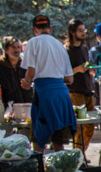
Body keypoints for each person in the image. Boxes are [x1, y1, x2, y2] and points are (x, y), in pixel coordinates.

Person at [20, 14, 76, 151]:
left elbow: (31, 71)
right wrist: (54, 77)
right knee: (58, 141)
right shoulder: (60, 46)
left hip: (44, 95)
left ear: (34, 29)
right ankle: (62, 169)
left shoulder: (33, 42)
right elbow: (70, 79)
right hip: (62, 96)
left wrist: (26, 82)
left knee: (39, 139)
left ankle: (39, 169)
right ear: (50, 28)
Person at [66, 18, 95, 151]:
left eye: (84, 30)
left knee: (91, 124)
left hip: (87, 88)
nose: (83, 33)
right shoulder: (67, 51)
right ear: (72, 32)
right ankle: (78, 154)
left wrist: (90, 70)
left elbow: (87, 66)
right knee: (80, 126)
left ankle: (81, 151)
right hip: (75, 90)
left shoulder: (84, 48)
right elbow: (63, 72)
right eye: (80, 30)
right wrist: (77, 69)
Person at [0, 36, 32, 106]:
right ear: (6, 50)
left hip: (25, 107)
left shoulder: (24, 65)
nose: (17, 50)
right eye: (13, 47)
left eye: (18, 47)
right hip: (8, 109)